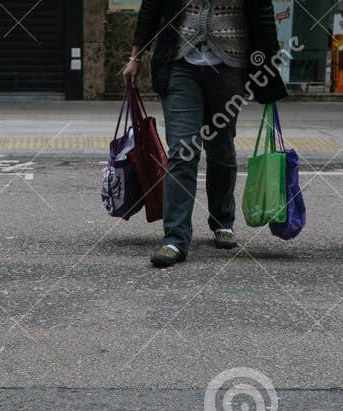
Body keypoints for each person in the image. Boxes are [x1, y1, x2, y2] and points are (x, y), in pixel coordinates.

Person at [123, 1, 289, 268]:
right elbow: (151, 9)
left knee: (221, 148)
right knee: (182, 151)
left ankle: (222, 220)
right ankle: (175, 238)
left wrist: (269, 70)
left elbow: (263, 15)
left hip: (230, 67)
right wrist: (135, 57)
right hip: (179, 64)